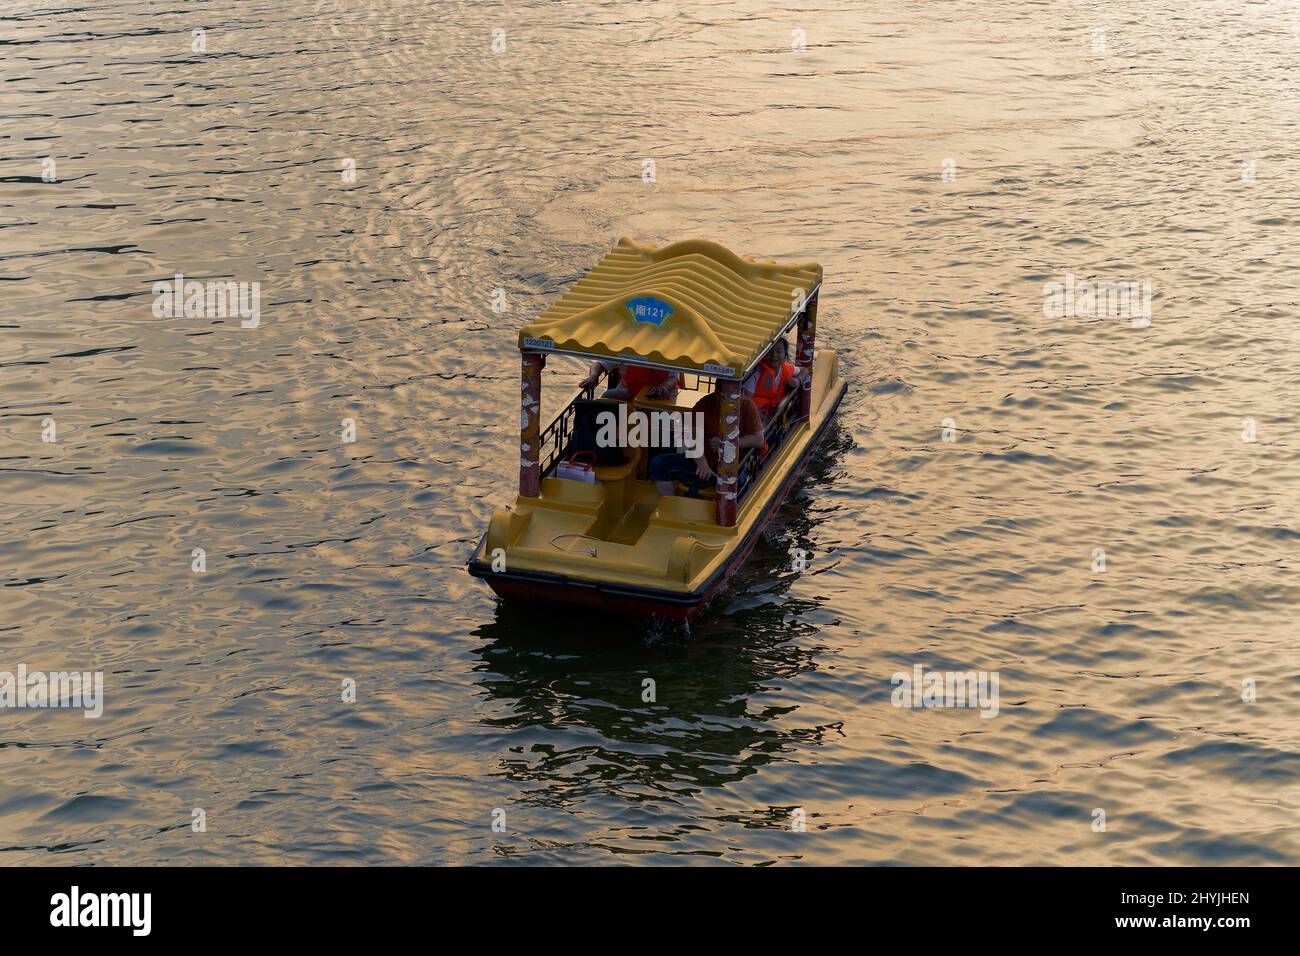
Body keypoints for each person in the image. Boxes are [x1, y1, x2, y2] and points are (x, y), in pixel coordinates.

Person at [650, 387, 763, 496]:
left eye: (736, 395)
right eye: (726, 395)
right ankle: (670, 503)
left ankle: (733, 512)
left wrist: (727, 443)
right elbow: (693, 437)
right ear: (717, 393)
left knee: (743, 484)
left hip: (733, 465)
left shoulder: (748, 406)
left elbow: (759, 439)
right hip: (704, 460)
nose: (732, 400)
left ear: (742, 392)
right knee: (658, 463)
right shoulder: (703, 405)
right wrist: (702, 464)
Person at [745, 337, 806, 420]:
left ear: (785, 355)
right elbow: (747, 404)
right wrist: (766, 420)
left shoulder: (786, 368)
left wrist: (797, 381)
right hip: (755, 419)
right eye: (770, 351)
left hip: (775, 415)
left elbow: (804, 370)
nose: (774, 355)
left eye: (779, 351)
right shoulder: (755, 373)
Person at [581, 360, 680, 401]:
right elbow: (600, 364)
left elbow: (674, 377)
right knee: (607, 396)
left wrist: (663, 387)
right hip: (631, 391)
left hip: (662, 394)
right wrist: (593, 376)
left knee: (670, 421)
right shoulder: (628, 348)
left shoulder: (667, 351)